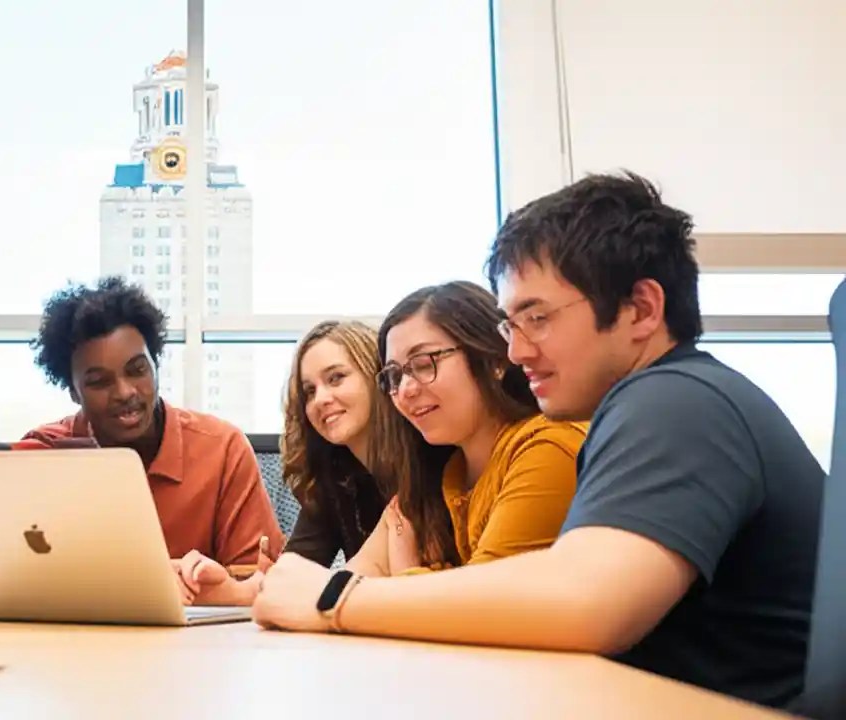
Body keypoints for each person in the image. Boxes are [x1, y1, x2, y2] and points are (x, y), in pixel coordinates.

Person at [253, 172, 824, 710]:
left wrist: (334, 600)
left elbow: (585, 601)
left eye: (539, 318)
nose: (517, 351)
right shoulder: (651, 405)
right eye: (510, 325)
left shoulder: (676, 400)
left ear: (641, 309)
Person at [192, 283, 585, 604]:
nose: (407, 389)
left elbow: (480, 607)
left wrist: (396, 580)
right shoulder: (446, 474)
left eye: (425, 362)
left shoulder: (544, 447)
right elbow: (323, 582)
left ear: (496, 358)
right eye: (396, 375)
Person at [26, 276, 284, 603]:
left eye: (137, 370)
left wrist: (207, 585)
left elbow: (263, 582)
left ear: (156, 365)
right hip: (77, 644)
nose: (125, 392)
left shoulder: (222, 448)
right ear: (74, 392)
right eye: (99, 381)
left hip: (201, 646)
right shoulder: (41, 456)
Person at [175, 320, 406, 605]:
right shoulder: (333, 477)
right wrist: (217, 587)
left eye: (336, 378)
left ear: (378, 377)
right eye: (309, 391)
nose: (321, 399)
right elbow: (289, 578)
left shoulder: (428, 466)